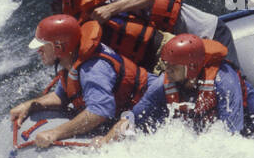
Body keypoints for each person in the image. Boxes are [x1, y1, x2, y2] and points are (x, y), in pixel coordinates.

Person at [100, 34, 254, 142]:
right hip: (203, 113)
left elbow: (231, 135)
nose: (167, 70)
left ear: (191, 67)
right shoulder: (163, 83)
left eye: (173, 66)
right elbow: (135, 115)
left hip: (243, 108)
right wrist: (115, 131)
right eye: (166, 64)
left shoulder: (224, 81)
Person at [8, 14, 150, 148]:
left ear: (59, 47)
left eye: (43, 45)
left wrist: (55, 133)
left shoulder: (92, 69)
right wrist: (30, 105)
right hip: (124, 113)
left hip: (146, 110)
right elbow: (60, 96)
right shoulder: (71, 60)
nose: (39, 51)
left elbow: (99, 112)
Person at [44, 0, 228, 69]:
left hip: (209, 32)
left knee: (230, 78)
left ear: (69, 1)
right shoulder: (87, 21)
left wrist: (110, 9)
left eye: (55, 5)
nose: (52, 10)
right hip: (184, 46)